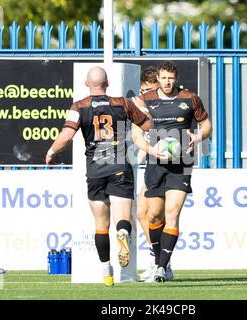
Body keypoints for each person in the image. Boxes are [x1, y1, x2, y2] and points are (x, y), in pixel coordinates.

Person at [45, 66, 152, 287]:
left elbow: (66, 136)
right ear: (108, 83)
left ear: (87, 84)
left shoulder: (79, 107)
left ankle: (106, 271)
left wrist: (51, 152)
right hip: (119, 167)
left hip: (95, 170)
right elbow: (147, 125)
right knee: (123, 219)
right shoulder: (123, 103)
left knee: (101, 225)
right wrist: (147, 112)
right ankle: (123, 232)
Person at [132, 61, 211, 282]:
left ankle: (161, 269)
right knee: (152, 216)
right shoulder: (146, 100)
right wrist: (151, 150)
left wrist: (197, 136)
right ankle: (159, 262)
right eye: (164, 78)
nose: (167, 82)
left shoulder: (190, 99)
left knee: (173, 213)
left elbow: (206, 124)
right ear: (158, 78)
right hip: (156, 163)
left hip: (182, 163)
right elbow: (137, 134)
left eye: (171, 78)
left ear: (176, 78)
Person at [132, 66, 173, 282]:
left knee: (156, 215)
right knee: (141, 213)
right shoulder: (146, 107)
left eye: (148, 89)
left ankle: (162, 264)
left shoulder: (167, 107)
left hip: (168, 167)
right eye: (142, 90)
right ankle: (157, 260)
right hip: (151, 164)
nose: (144, 94)